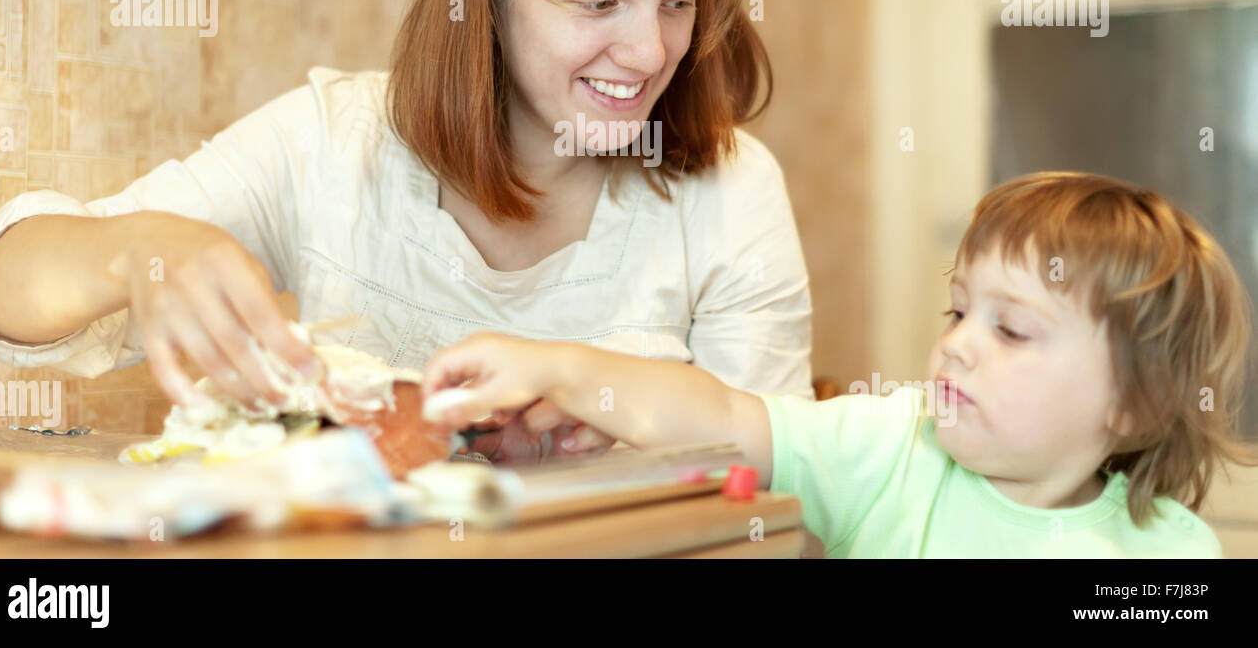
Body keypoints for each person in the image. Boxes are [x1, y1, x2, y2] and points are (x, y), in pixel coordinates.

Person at [0, 0, 814, 461]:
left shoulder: (730, 191)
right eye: (599, 3)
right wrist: (136, 250)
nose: (651, 51)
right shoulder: (333, 145)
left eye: (678, 2)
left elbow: (788, 487)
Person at [423, 172, 1257, 555]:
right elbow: (725, 419)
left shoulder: (1167, 556)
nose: (958, 343)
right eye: (958, 311)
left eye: (1011, 331)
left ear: (1136, 404)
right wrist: (564, 371)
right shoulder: (892, 446)